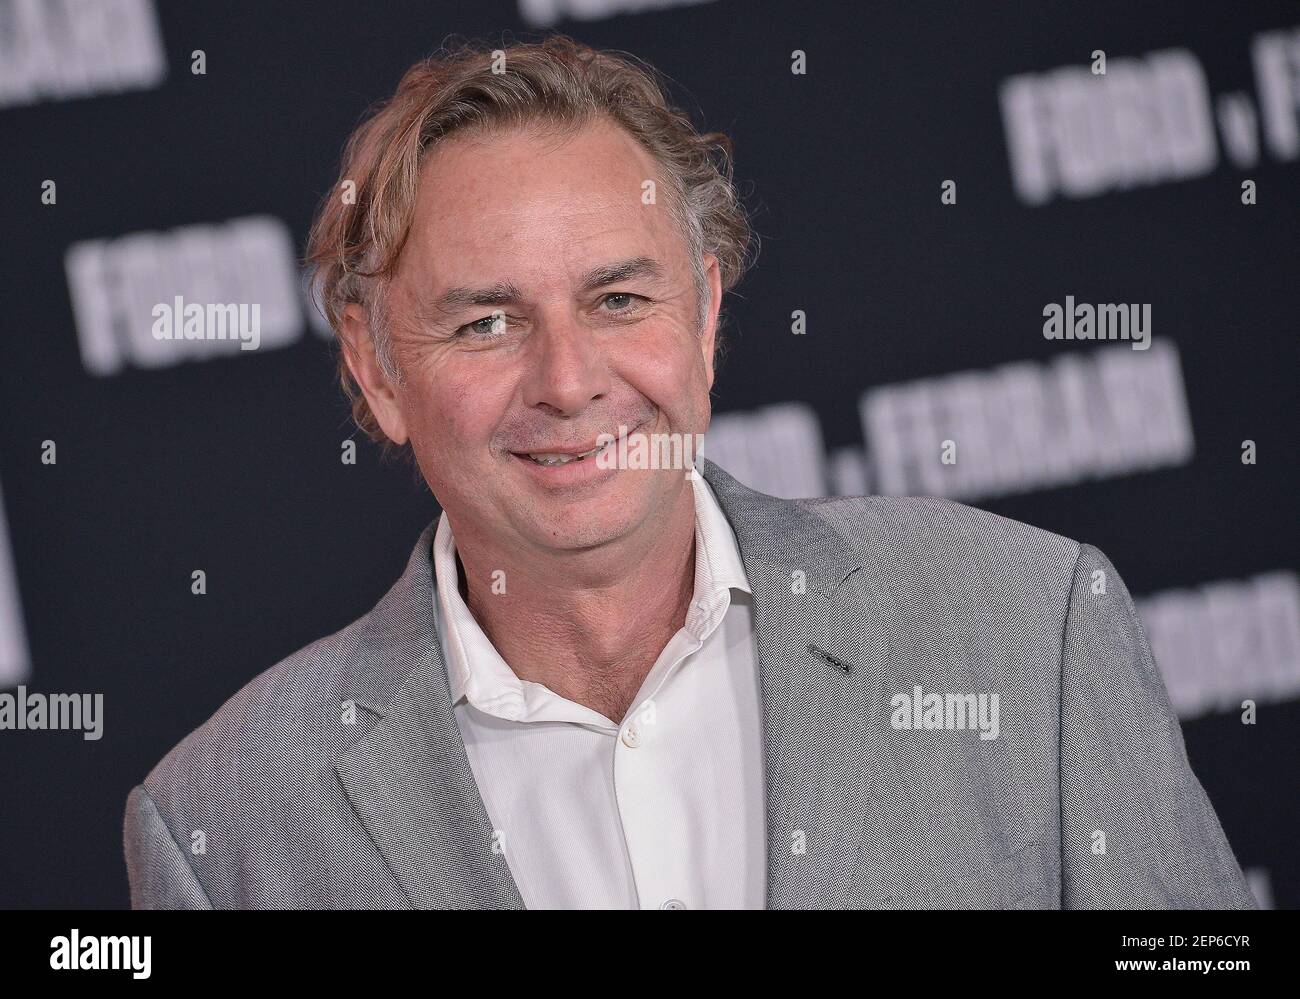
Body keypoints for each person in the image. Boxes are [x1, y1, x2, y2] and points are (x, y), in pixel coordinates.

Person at [123, 34, 1255, 909]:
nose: (568, 381)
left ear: (706, 314)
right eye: (484, 323)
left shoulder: (1025, 629)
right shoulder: (224, 822)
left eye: (620, 300)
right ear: (374, 370)